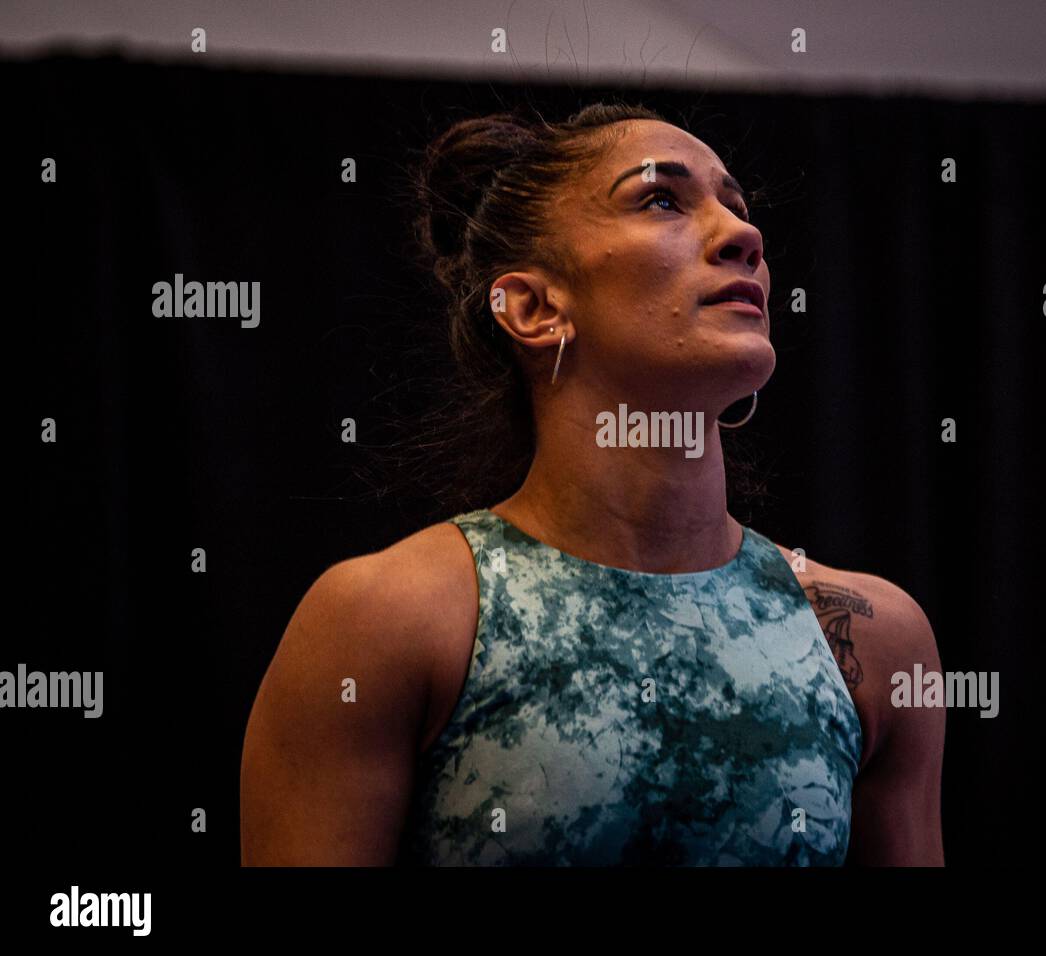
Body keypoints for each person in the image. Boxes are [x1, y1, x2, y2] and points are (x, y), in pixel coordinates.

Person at [239, 102, 945, 866]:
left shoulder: (873, 638)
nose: (746, 236)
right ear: (536, 308)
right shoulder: (388, 620)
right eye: (662, 200)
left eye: (737, 209)